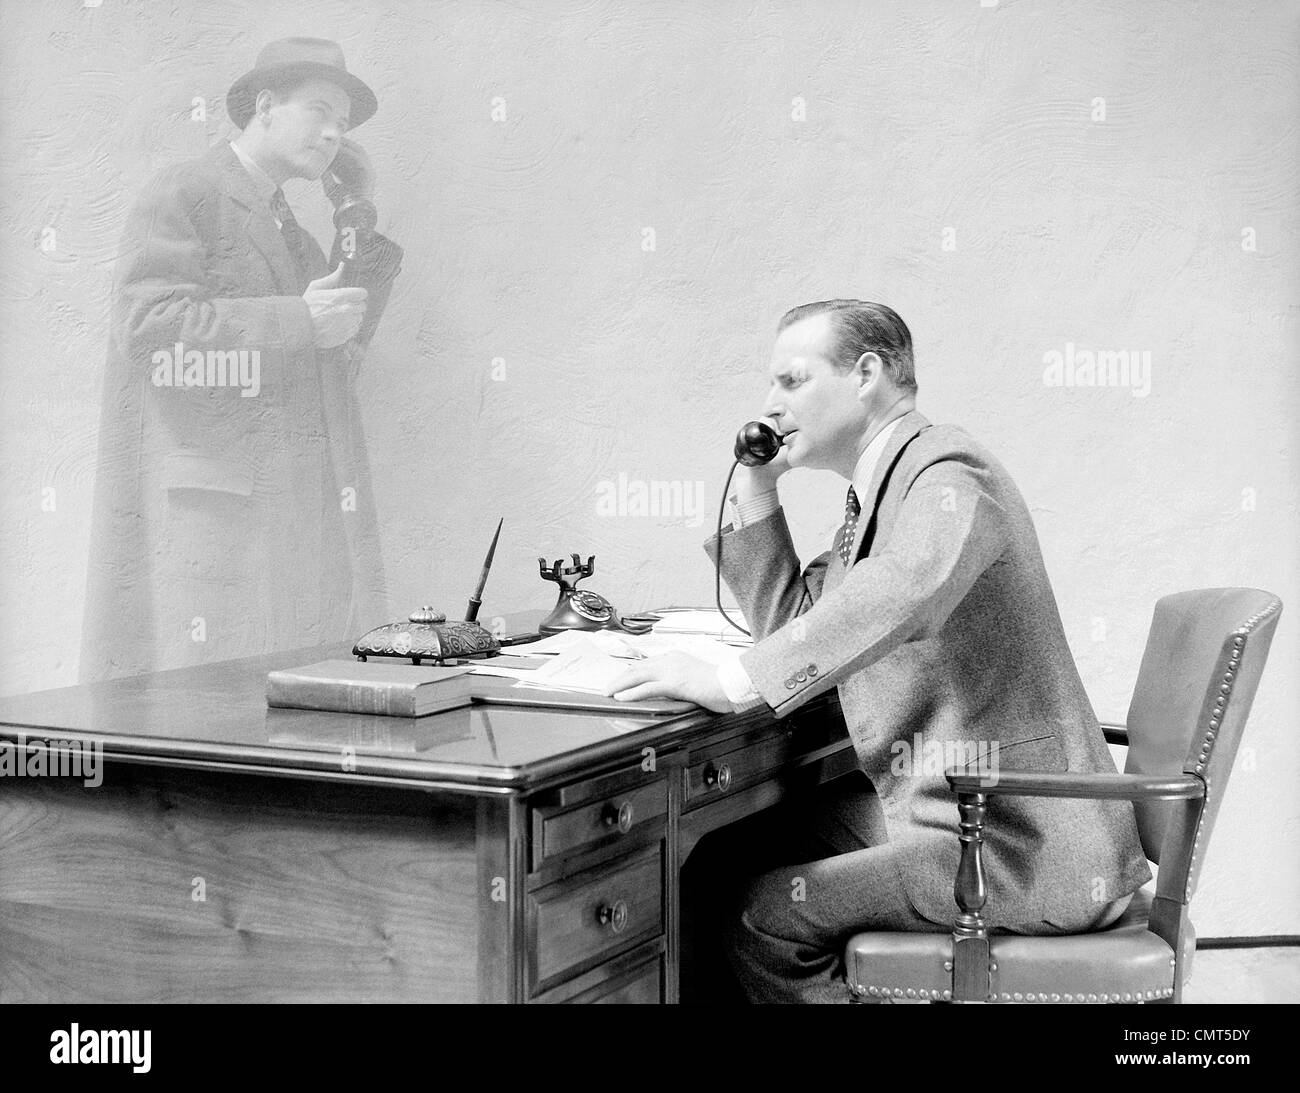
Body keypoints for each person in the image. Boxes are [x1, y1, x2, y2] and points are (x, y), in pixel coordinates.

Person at [609, 299, 1152, 1003]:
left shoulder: (949, 471)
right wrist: (757, 487)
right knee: (714, 857)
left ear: (866, 374)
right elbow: (798, 630)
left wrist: (733, 680)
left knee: (762, 916)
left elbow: (907, 591)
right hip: (949, 809)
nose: (770, 404)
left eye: (792, 381)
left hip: (1018, 841)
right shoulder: (872, 501)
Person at [81, 38, 402, 681]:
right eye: (320, 110)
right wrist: (296, 319)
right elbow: (149, 330)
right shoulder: (187, 191)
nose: (335, 132)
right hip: (214, 517)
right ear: (265, 105)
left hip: (291, 518)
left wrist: (355, 215)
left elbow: (335, 359)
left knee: (284, 708)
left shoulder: (296, 235)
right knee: (209, 708)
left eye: (343, 123)